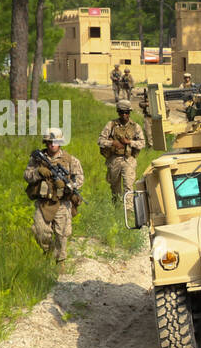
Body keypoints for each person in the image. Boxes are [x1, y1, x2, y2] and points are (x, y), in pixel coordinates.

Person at [25, 127, 84, 265]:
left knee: (62, 234)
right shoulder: (37, 159)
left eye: (56, 142)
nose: (53, 144)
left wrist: (68, 184)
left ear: (60, 143)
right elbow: (27, 176)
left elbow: (79, 179)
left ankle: (60, 263)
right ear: (46, 142)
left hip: (62, 202)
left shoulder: (70, 160)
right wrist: (38, 172)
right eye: (50, 141)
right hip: (43, 202)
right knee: (39, 231)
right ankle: (48, 252)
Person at [98, 99, 146, 201]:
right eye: (122, 112)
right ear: (118, 112)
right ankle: (118, 210)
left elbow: (142, 143)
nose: (124, 115)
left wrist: (129, 142)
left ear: (129, 113)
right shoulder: (111, 125)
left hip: (129, 159)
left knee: (128, 187)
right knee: (115, 188)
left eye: (126, 112)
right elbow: (100, 141)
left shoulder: (135, 127)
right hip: (114, 160)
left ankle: (128, 212)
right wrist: (112, 143)